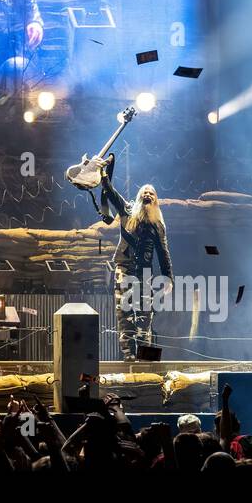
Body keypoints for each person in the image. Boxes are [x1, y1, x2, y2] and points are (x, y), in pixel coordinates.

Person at [73, 154, 172, 360]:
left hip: (145, 274)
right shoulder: (127, 210)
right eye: (144, 192)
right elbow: (110, 192)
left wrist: (168, 278)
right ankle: (129, 357)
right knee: (125, 315)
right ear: (138, 197)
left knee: (144, 318)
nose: (148, 194)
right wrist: (103, 173)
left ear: (156, 200)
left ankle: (144, 361)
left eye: (151, 193)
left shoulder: (157, 224)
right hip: (124, 269)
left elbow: (163, 253)